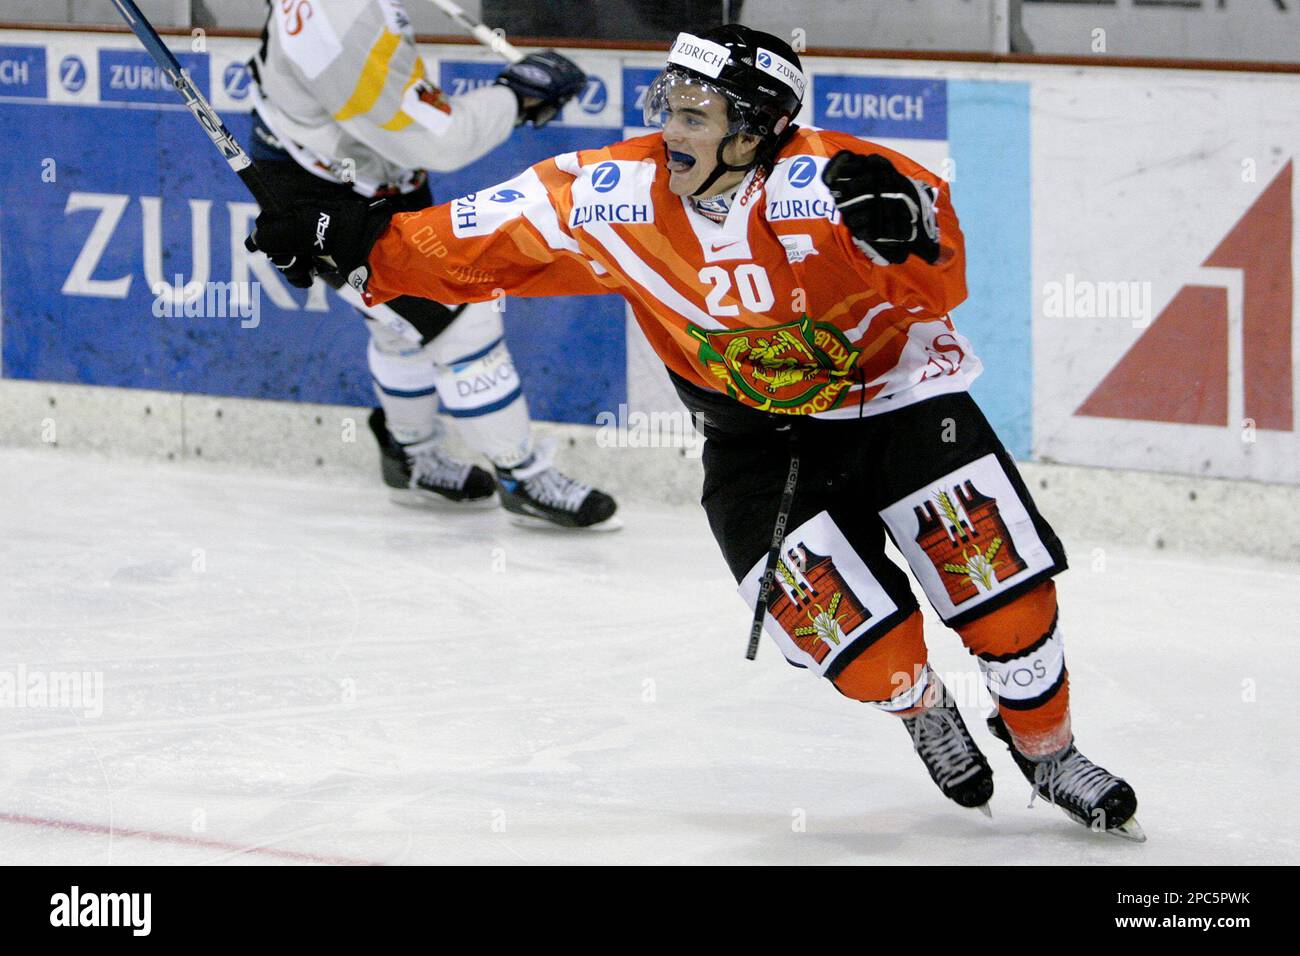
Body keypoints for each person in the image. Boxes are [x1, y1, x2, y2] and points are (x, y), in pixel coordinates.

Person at [247, 24, 1144, 839]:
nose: (668, 129)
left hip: (903, 406)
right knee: (864, 651)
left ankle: (1048, 751)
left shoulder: (833, 181)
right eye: (666, 106)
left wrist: (909, 233)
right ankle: (921, 708)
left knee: (1008, 603)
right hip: (754, 443)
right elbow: (467, 244)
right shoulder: (611, 194)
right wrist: (348, 237)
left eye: (694, 114)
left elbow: (941, 275)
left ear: (753, 132)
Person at [247, 0, 617, 528]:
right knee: (463, 319)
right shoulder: (342, 20)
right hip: (326, 199)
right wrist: (515, 97)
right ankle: (522, 474)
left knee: (398, 326)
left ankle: (411, 456)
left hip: (370, 172)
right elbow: (437, 140)